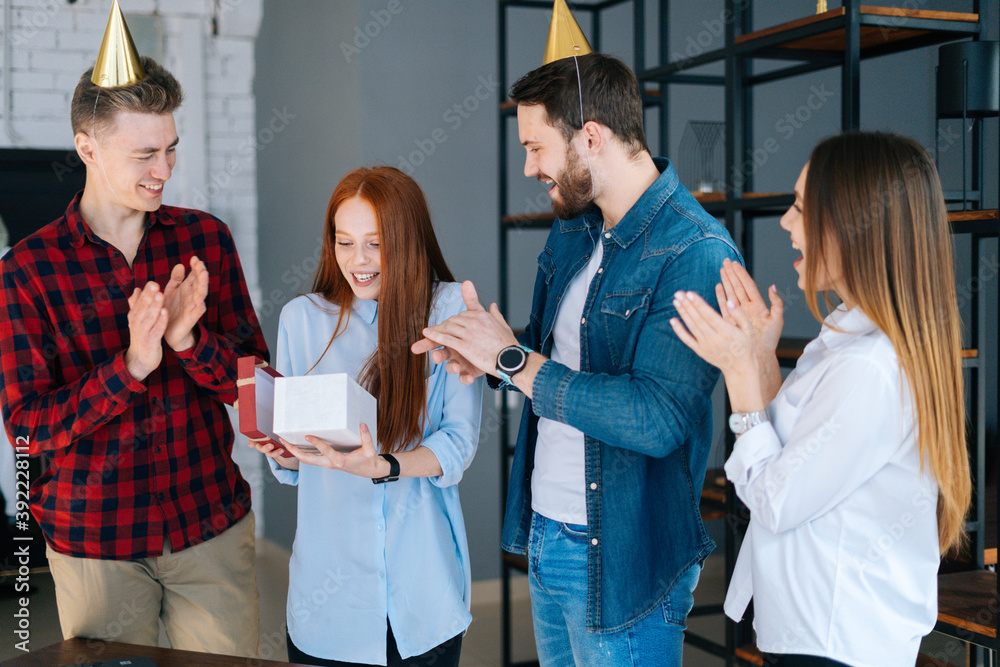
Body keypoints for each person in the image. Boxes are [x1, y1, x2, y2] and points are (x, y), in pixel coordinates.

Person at [412, 53, 741, 666]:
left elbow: (656, 419)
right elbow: (554, 351)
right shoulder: (575, 227)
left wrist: (513, 361)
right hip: (547, 532)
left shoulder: (695, 251)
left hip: (625, 560)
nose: (530, 167)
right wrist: (491, 355)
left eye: (536, 147)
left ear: (591, 137)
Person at [670, 132, 971, 667]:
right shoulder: (851, 337)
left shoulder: (869, 367)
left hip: (838, 642)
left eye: (802, 208)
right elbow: (798, 456)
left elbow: (775, 501)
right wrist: (761, 358)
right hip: (815, 632)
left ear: (856, 226)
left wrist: (739, 372)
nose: (786, 222)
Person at [0, 55, 267, 657]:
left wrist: (189, 343)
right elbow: (27, 429)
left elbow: (255, 384)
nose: (164, 170)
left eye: (170, 149)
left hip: (210, 526)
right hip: (95, 545)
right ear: (87, 148)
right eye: (145, 154)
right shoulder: (26, 272)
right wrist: (132, 367)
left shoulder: (205, 239)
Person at [254, 166, 482, 667]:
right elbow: (294, 462)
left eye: (376, 244)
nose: (358, 261)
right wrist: (281, 448)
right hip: (327, 604)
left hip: (422, 596)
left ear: (407, 240)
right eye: (345, 242)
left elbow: (458, 443)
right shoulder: (301, 319)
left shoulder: (449, 311)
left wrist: (386, 465)